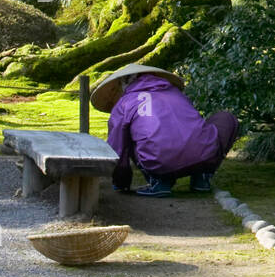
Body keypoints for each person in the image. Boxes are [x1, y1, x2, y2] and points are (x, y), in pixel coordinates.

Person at [89, 63, 239, 198]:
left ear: (125, 83)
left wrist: (121, 181)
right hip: (203, 155)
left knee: (129, 134)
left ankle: (159, 182)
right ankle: (202, 175)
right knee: (226, 118)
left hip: (159, 162)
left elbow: (118, 147)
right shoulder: (176, 94)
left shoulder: (124, 103)